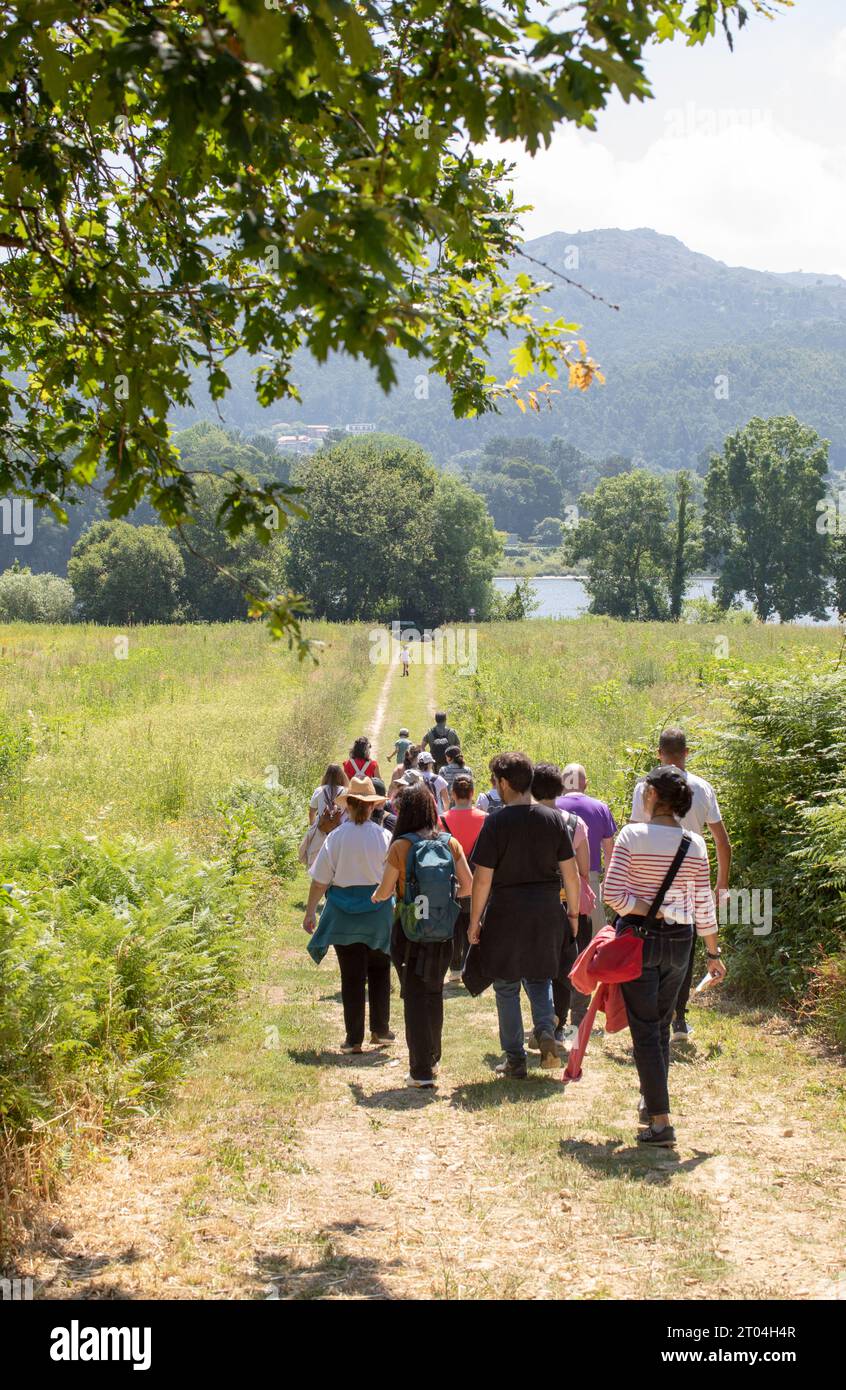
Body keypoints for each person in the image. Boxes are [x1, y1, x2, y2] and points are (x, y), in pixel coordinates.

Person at [604, 765, 726, 1147]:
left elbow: (613, 893)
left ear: (653, 796)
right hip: (681, 942)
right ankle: (651, 1099)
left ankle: (661, 1121)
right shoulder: (695, 843)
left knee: (644, 1029)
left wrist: (646, 908)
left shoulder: (632, 835)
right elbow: (704, 904)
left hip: (640, 940)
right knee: (658, 1025)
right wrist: (713, 953)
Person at [468, 751, 581, 1078]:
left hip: (506, 910)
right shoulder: (553, 819)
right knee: (540, 976)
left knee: (506, 986)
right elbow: (570, 874)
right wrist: (572, 914)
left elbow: (483, 878)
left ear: (504, 783)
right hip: (546, 908)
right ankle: (546, 1031)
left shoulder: (495, 822)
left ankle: (515, 1058)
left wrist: (474, 921)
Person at [630, 727, 731, 1042]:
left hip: (650, 879)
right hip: (689, 875)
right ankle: (679, 1021)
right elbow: (722, 842)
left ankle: (650, 1021)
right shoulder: (702, 788)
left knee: (646, 947)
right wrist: (721, 884)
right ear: (687, 752)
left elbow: (633, 837)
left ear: (659, 753)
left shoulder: (644, 789)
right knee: (682, 947)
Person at [372, 783, 472, 1088]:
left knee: (413, 997)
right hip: (443, 931)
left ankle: (420, 1070)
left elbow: (386, 890)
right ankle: (432, 1058)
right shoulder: (449, 842)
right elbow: (467, 886)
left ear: (404, 811)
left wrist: (378, 898)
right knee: (433, 993)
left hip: (410, 930)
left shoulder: (401, 846)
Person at [303, 776, 395, 1053]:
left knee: (351, 976)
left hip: (343, 914)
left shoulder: (336, 837)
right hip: (378, 913)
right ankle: (380, 1030)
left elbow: (320, 880)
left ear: (348, 806)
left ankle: (353, 1038)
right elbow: (393, 877)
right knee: (380, 971)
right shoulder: (384, 836)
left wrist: (310, 911)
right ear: (369, 807)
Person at [531, 762, 596, 1042]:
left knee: (539, 966)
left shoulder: (526, 821)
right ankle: (563, 1025)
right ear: (560, 789)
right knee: (570, 964)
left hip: (538, 902)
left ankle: (547, 1020)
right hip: (573, 903)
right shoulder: (574, 823)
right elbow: (584, 868)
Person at [556, 763, 617, 936]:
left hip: (555, 878)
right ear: (586, 784)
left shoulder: (552, 807)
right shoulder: (600, 808)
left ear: (562, 783)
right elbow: (609, 849)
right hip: (589, 880)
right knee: (594, 936)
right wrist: (608, 881)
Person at [440, 773, 486, 982]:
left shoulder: (442, 820)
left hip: (452, 880)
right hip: (480, 879)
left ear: (452, 794)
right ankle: (473, 965)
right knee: (475, 920)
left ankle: (455, 968)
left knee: (455, 924)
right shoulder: (486, 819)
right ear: (472, 793)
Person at [302, 763, 348, 869]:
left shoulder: (319, 790)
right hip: (341, 830)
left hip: (321, 828)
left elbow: (311, 812)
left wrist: (313, 825)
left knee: (316, 861)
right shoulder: (346, 791)